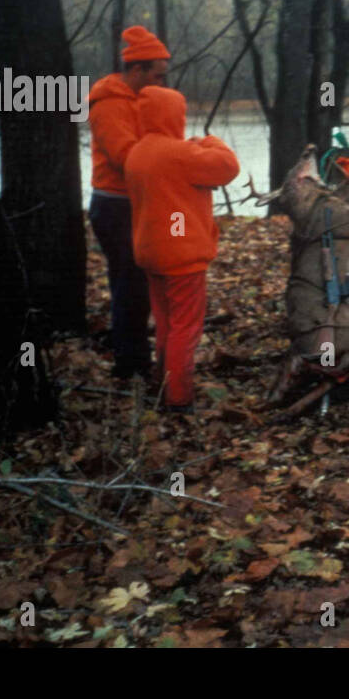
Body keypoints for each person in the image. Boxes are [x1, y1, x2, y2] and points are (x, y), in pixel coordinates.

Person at [124, 86, 240, 412]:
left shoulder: (137, 152)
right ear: (172, 116)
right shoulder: (180, 153)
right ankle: (178, 400)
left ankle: (162, 382)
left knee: (165, 323)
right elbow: (227, 167)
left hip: (151, 252)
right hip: (180, 255)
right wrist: (209, 140)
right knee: (185, 330)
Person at [86, 25, 171, 380]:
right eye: (157, 75)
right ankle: (130, 364)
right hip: (115, 207)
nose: (162, 84)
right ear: (137, 70)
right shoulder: (109, 105)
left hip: (131, 204)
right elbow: (126, 157)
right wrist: (172, 158)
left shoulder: (136, 100)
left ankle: (133, 354)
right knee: (130, 285)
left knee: (133, 283)